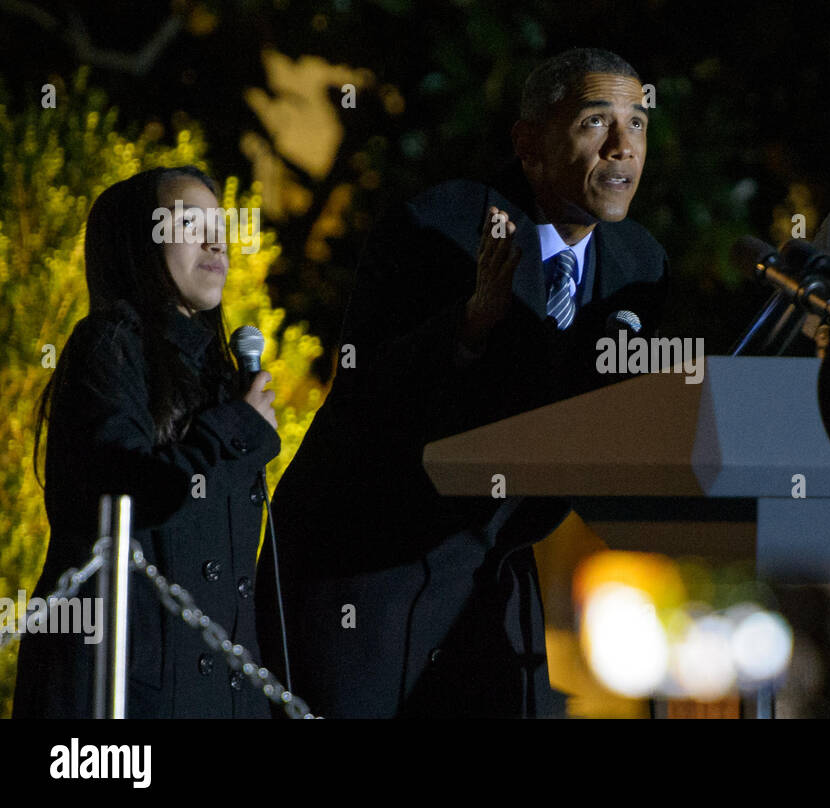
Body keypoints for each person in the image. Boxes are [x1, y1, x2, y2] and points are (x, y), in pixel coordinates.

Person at [257, 48, 668, 717]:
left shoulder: (640, 265)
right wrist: (471, 325)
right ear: (529, 144)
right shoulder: (436, 226)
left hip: (491, 578)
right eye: (597, 122)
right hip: (364, 574)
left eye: (639, 123)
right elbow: (366, 393)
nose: (624, 147)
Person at [13, 166, 280, 718]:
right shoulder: (110, 344)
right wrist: (237, 431)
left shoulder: (221, 373)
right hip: (126, 692)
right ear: (140, 239)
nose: (215, 241)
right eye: (188, 222)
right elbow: (129, 493)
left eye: (219, 225)